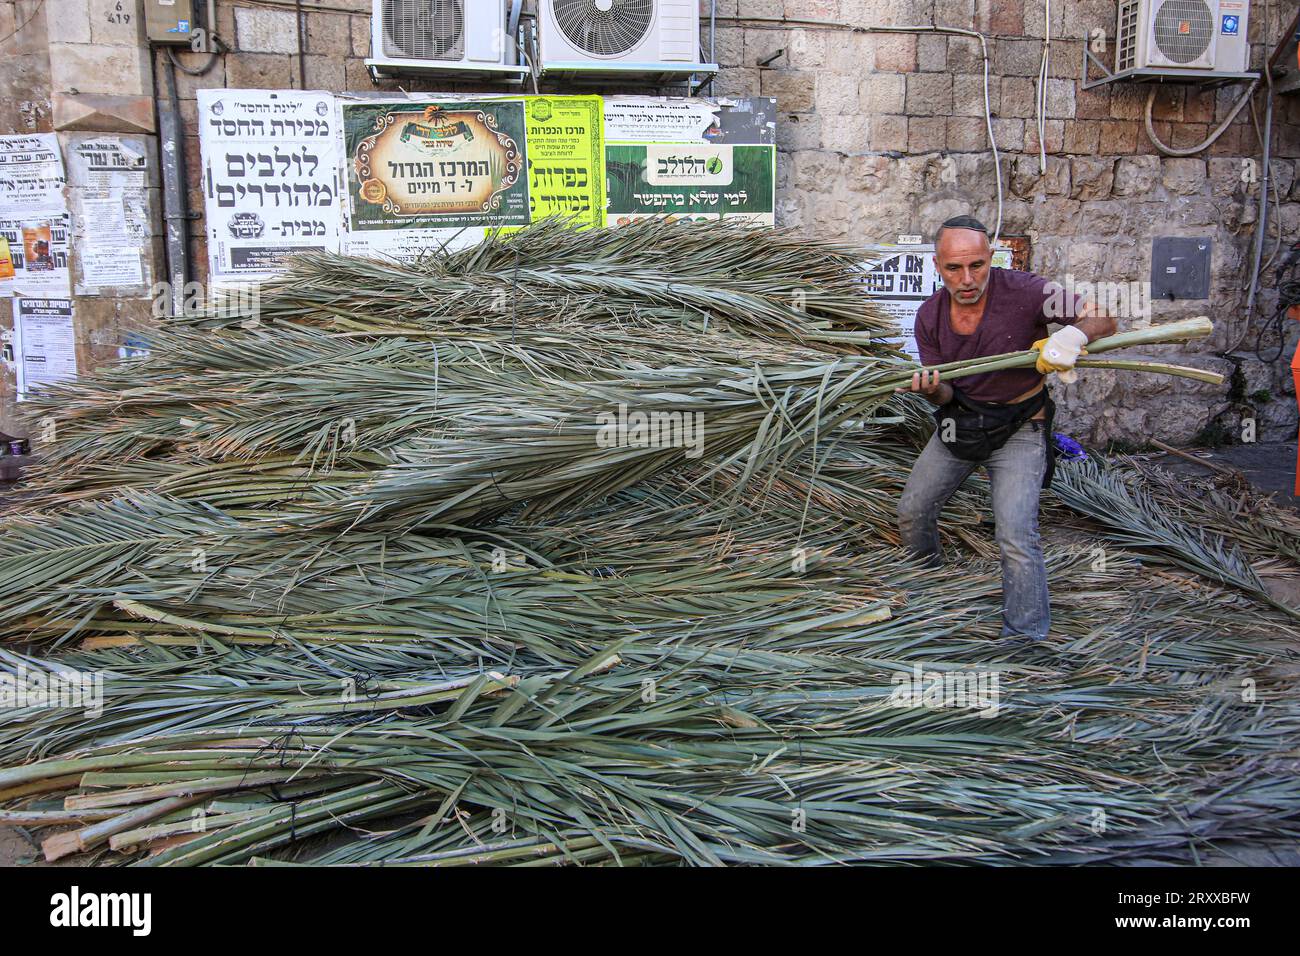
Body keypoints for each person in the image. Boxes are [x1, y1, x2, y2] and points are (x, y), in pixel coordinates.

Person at [896, 216, 1117, 641]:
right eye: (954, 268)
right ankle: (930, 592)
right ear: (937, 265)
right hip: (960, 425)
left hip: (1019, 427)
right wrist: (931, 392)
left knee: (1015, 533)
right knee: (913, 511)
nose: (967, 279)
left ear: (991, 258)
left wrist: (1071, 337)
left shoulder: (1026, 291)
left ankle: (1025, 639)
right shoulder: (929, 317)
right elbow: (946, 397)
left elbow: (1103, 318)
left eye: (977, 265)